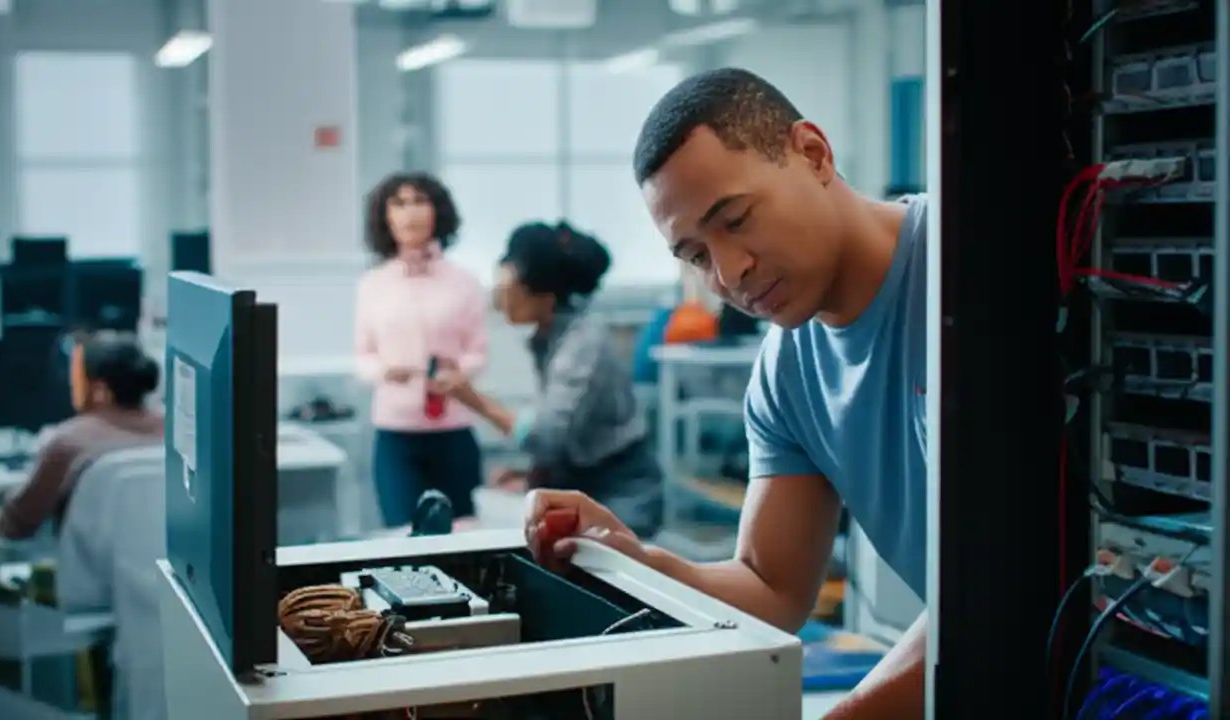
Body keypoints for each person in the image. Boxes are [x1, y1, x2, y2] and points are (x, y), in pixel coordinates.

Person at [521, 68, 929, 720]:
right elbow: (773, 588)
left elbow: (1015, 574)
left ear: (814, 154)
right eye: (695, 255)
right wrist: (638, 563)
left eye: (736, 219)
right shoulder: (786, 373)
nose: (729, 272)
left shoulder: (964, 264)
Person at [446, 221, 664, 539]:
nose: (500, 301)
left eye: (511, 293)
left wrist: (474, 400)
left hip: (621, 497)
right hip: (582, 484)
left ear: (546, 299)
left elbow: (547, 436)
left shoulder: (582, 345)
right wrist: (531, 475)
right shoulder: (549, 337)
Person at [354, 172, 489, 528]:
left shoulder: (464, 282)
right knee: (403, 536)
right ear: (385, 216)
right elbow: (362, 357)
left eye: (419, 201)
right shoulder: (372, 284)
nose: (410, 213)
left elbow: (478, 351)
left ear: (437, 212)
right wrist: (384, 371)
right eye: (399, 203)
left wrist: (459, 372)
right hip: (396, 435)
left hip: (453, 430)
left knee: (463, 535)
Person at [0, 335, 164, 539]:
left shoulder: (70, 442)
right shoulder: (169, 432)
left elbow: (14, 526)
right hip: (153, 569)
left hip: (89, 573)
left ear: (100, 389)